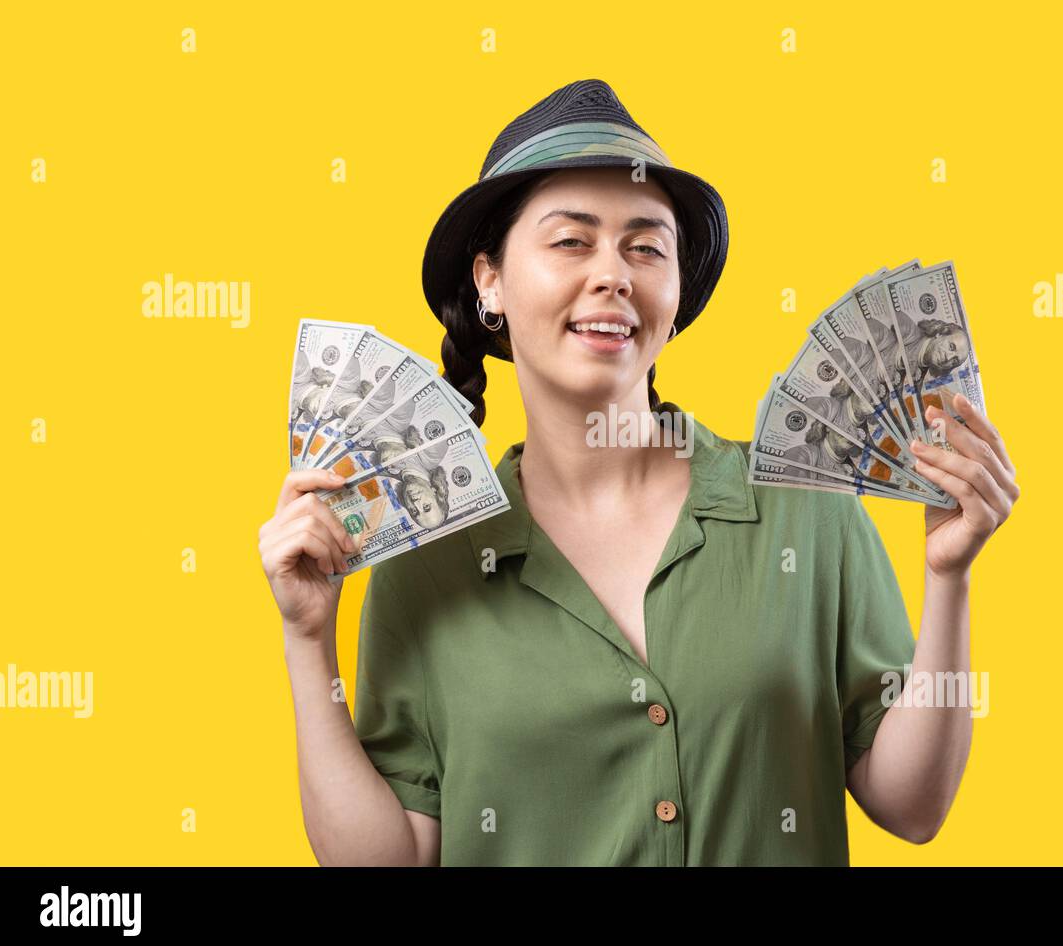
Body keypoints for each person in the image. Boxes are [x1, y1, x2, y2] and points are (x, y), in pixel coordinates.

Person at [258, 79, 1019, 866]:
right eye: (571, 241)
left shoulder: (806, 508)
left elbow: (913, 805)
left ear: (676, 288)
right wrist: (306, 637)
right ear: (491, 282)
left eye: (646, 246)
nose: (613, 274)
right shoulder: (429, 553)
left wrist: (949, 578)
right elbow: (389, 858)